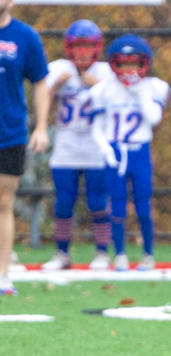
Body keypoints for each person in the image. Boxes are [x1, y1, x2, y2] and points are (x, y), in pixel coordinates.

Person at [89, 34, 169, 271]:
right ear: (114, 64)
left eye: (134, 63)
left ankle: (148, 254)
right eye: (123, 63)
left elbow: (154, 118)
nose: (129, 69)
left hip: (140, 151)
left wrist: (139, 93)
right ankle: (120, 253)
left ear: (144, 63)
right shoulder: (103, 90)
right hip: (116, 151)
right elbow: (97, 127)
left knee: (144, 204)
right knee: (117, 205)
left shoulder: (153, 87)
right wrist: (105, 149)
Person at [42, 19, 114, 271]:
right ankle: (62, 253)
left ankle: (102, 252)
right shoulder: (58, 69)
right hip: (66, 145)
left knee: (97, 202)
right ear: (69, 47)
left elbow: (119, 104)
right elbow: (42, 101)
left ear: (96, 47)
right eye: (78, 46)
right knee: (63, 202)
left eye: (87, 46)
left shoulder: (106, 73)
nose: (82, 52)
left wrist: (100, 88)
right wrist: (55, 86)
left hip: (96, 146)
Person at [0, 0, 49, 295]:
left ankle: (2, 274)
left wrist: (42, 126)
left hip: (9, 133)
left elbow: (40, 81)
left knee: (3, 202)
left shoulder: (25, 37)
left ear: (10, 0)